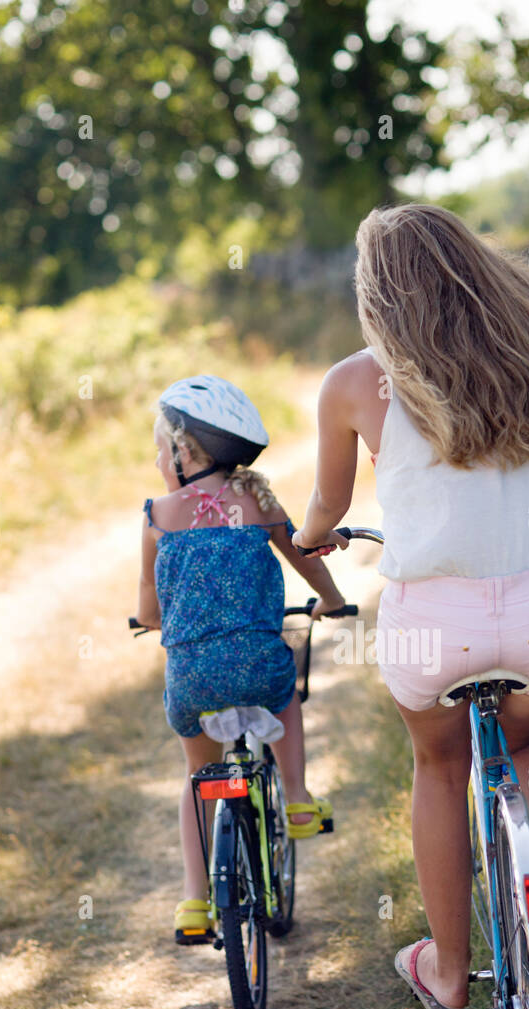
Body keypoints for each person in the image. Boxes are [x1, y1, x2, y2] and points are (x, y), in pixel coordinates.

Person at [292, 204, 529, 1009]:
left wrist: (315, 535)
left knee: (441, 767)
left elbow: (322, 509)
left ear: (378, 292)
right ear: (473, 270)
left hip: (431, 626)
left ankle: (448, 972)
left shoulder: (354, 383)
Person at [136, 374, 346, 945]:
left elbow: (147, 609)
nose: (158, 460)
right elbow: (303, 555)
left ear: (183, 452)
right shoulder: (257, 499)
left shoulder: (158, 514)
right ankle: (298, 800)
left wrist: (153, 623)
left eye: (160, 449)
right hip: (257, 663)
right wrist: (330, 601)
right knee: (285, 694)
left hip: (193, 681)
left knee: (197, 777)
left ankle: (194, 900)